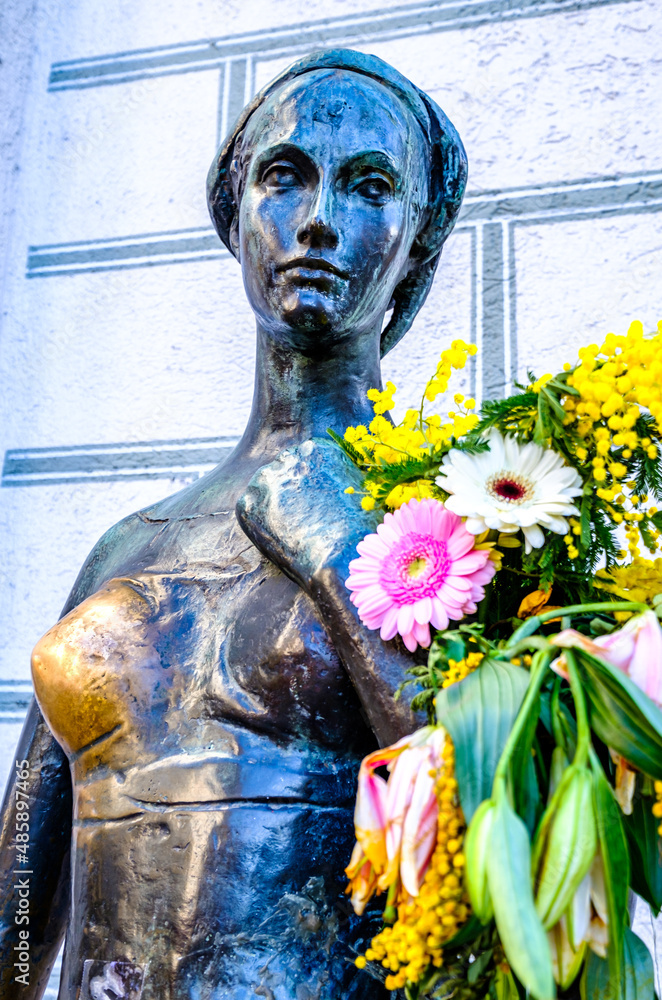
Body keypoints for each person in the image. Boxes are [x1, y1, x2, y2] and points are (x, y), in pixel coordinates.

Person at [0, 49, 467, 999]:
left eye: (370, 186)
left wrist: (340, 560)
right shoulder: (127, 546)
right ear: (238, 214)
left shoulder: (446, 534)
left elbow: (505, 839)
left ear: (417, 243)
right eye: (284, 175)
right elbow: (15, 903)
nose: (318, 218)